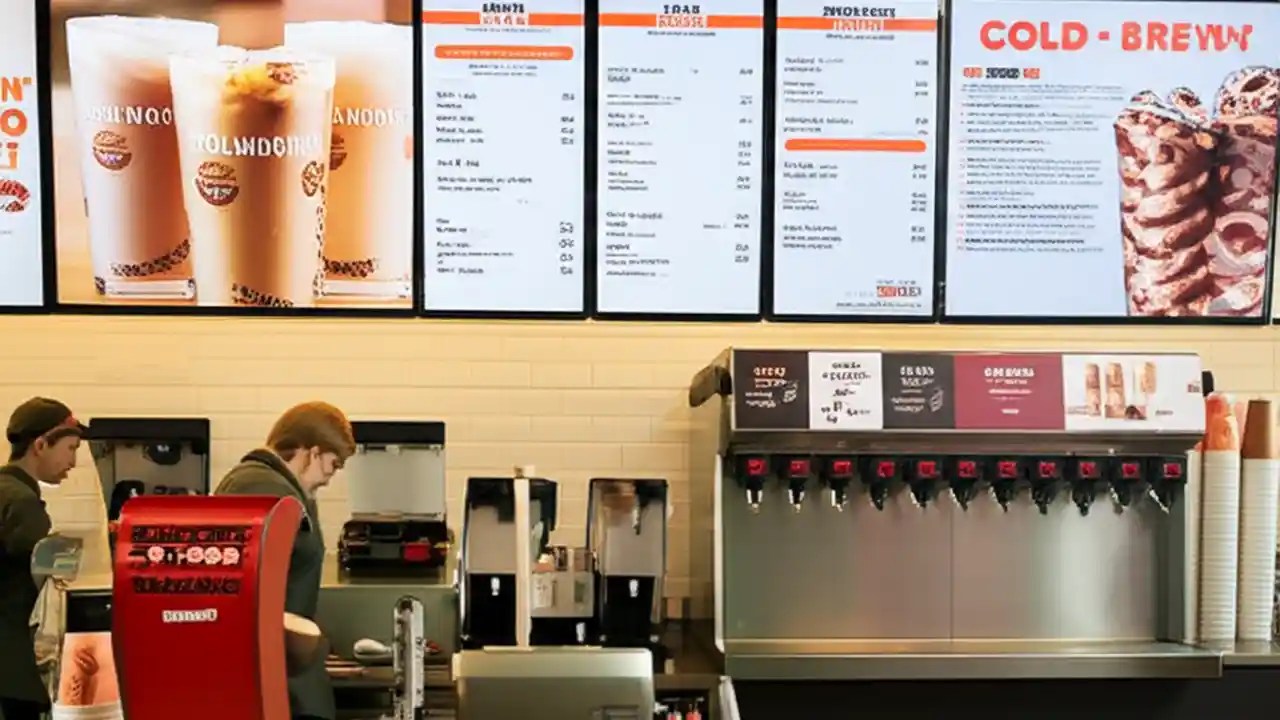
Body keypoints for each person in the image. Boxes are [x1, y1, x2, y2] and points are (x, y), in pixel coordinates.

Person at [214, 401, 356, 720]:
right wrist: (308, 643)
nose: (329, 478)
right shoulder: (263, 490)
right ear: (312, 452)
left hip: (285, 674)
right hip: (279, 683)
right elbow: (248, 601)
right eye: (333, 465)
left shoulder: (273, 487)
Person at [0, 398, 86, 720]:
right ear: (40, 445)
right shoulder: (21, 503)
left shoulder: (7, 492)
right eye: (70, 448)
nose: (73, 462)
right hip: (11, 669)